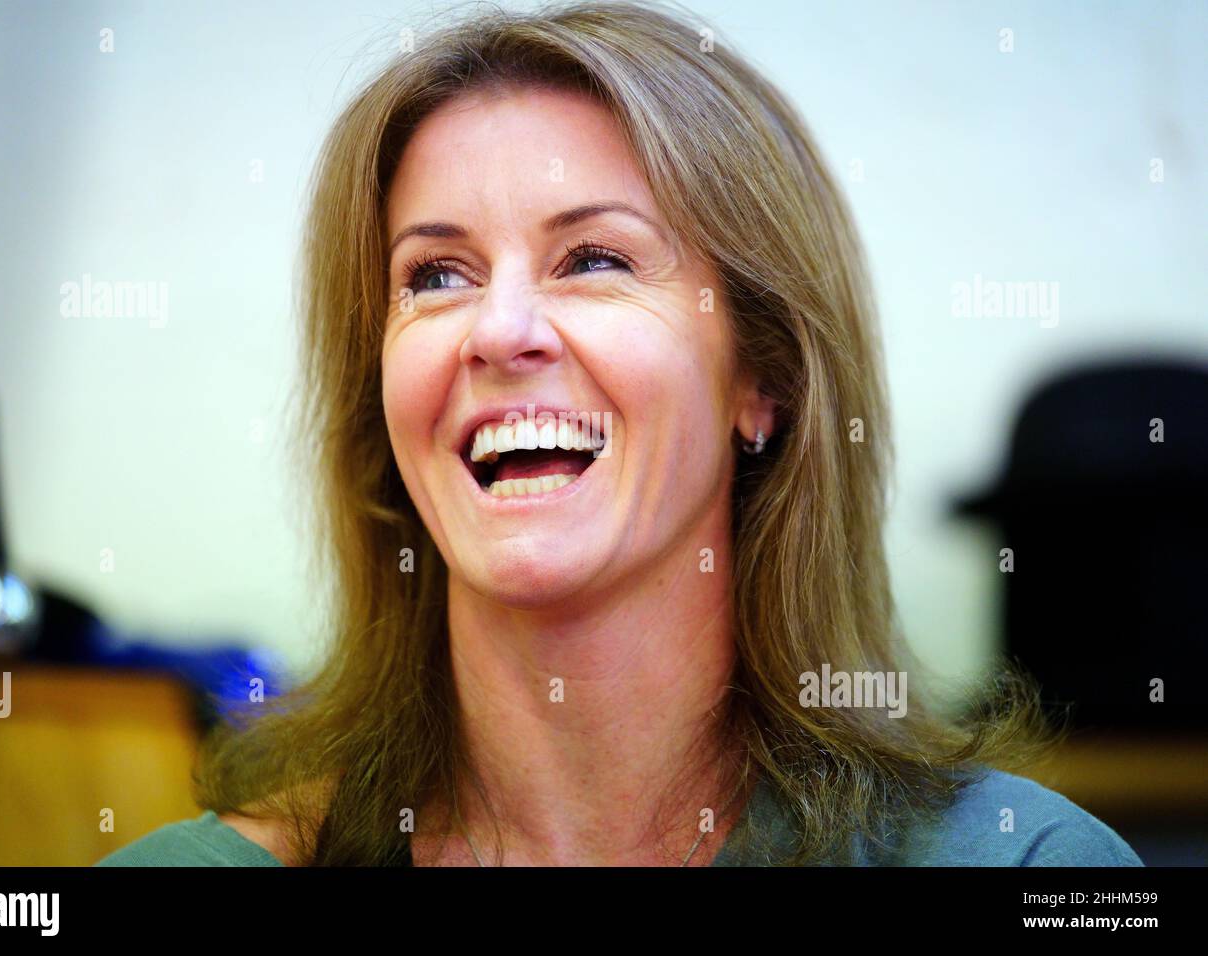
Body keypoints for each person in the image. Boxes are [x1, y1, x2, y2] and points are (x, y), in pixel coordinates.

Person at [99, 0, 1141, 867]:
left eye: (593, 258)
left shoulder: (1026, 864)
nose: (499, 329)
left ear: (762, 377)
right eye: (435, 275)